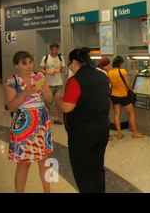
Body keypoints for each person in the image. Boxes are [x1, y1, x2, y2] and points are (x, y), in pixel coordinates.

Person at [54, 48, 110, 193]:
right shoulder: (102, 76)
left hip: (82, 134)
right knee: (97, 167)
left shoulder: (75, 80)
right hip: (102, 129)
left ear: (73, 62)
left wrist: (57, 101)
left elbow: (67, 108)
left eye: (69, 64)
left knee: (83, 171)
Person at [5, 51, 53, 193]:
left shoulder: (39, 77)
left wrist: (45, 91)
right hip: (23, 124)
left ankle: (47, 191)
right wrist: (25, 93)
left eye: (30, 62)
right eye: (24, 63)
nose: (28, 66)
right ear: (16, 65)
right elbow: (11, 106)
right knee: (23, 164)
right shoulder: (12, 81)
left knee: (44, 160)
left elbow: (49, 99)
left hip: (41, 121)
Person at [108, 56, 144, 139]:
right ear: (120, 64)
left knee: (117, 114)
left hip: (114, 95)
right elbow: (128, 84)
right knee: (131, 113)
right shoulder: (122, 71)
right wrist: (132, 90)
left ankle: (119, 133)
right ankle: (135, 133)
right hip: (123, 95)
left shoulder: (110, 72)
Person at [40, 42, 66, 124]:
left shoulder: (60, 57)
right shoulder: (46, 58)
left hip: (58, 83)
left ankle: (56, 118)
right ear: (51, 50)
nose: (56, 51)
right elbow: (41, 69)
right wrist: (48, 72)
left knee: (57, 102)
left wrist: (59, 70)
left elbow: (64, 69)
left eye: (57, 49)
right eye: (54, 49)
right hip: (49, 83)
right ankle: (46, 118)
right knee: (48, 102)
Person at [97, 58, 113, 141]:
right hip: (104, 98)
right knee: (104, 116)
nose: (109, 67)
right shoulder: (103, 73)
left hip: (97, 98)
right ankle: (105, 134)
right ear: (105, 65)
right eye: (109, 65)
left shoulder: (96, 71)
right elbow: (108, 85)